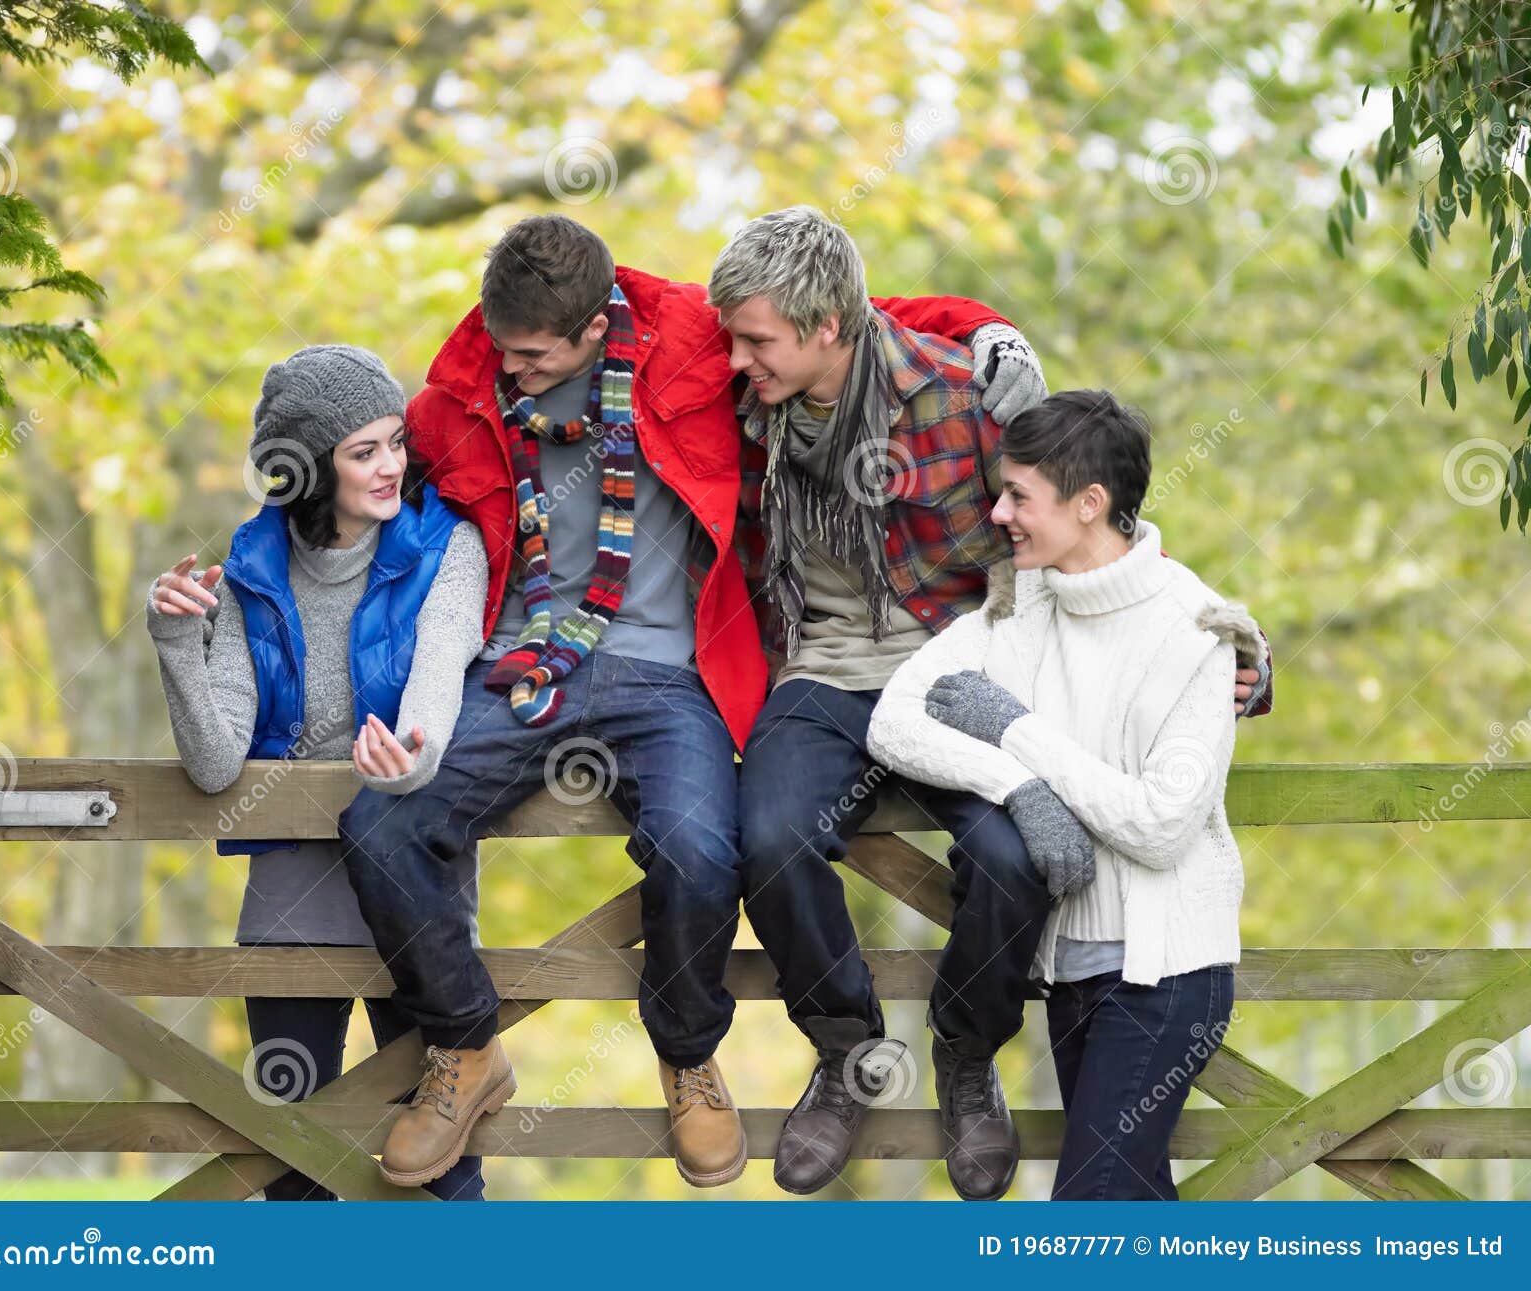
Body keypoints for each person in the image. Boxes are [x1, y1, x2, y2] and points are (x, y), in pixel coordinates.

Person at [336, 212, 1042, 1190]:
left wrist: (990, 330)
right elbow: (353, 478)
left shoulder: (691, 341)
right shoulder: (462, 395)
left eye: (533, 354)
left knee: (706, 848)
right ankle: (464, 1047)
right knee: (376, 826)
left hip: (673, 676)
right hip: (520, 668)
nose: (515, 368)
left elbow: (854, 319)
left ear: (593, 327)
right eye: (503, 348)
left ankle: (693, 1052)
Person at [711, 206, 1272, 1199]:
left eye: (756, 338)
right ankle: (843, 1046)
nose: (737, 353)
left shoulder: (963, 397)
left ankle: (967, 1052)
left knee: (1013, 858)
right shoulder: (742, 398)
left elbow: (1086, 515)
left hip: (965, 677)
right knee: (770, 835)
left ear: (825, 327)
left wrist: (1220, 645)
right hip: (827, 669)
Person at [868, 388, 1264, 1200]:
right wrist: (1018, 787)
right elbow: (893, 722)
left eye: (1019, 494)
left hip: (1166, 977)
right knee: (1134, 1208)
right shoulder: (1018, 605)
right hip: (1071, 971)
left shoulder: (1198, 630)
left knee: (1086, 1215)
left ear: (1090, 504)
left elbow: (1159, 825)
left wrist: (1015, 732)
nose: (1000, 511)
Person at [146, 344, 489, 1201]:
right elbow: (218, 762)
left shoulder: (449, 542)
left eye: (394, 443)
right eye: (361, 450)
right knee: (290, 1154)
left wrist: (409, 758)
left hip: (411, 876)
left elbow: (440, 670)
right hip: (290, 884)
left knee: (440, 1158)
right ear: (307, 466)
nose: (391, 466)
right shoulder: (253, 564)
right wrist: (177, 644)